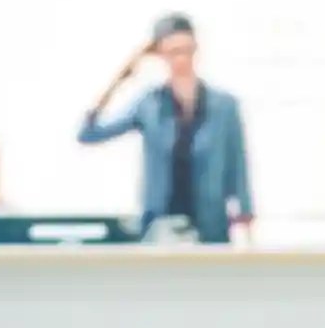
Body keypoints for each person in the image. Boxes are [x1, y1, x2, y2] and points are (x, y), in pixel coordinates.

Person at [78, 13, 253, 244]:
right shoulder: (150, 104)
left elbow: (237, 164)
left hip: (210, 225)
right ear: (160, 55)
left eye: (187, 50)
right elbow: (88, 134)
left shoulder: (224, 106)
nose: (181, 59)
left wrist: (245, 217)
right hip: (160, 225)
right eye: (173, 52)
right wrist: (121, 77)